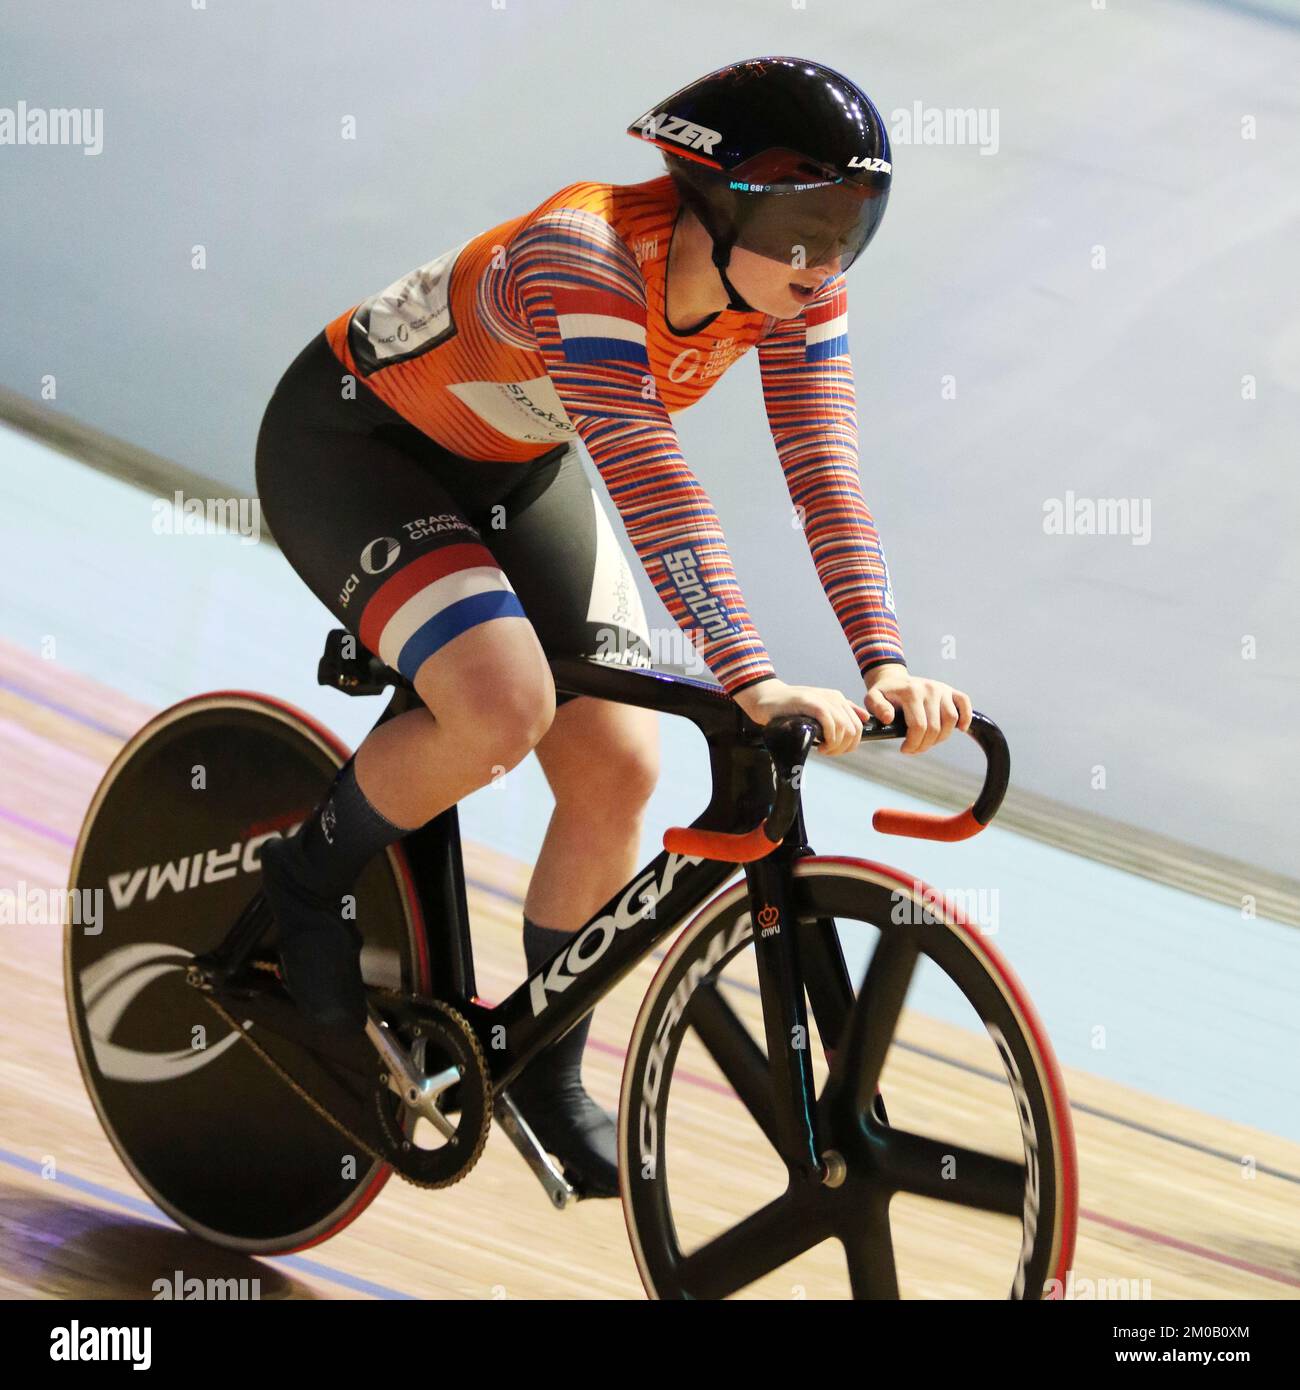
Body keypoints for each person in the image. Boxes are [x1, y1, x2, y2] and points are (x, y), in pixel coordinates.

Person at [253, 55, 972, 1199]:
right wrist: (754, 677)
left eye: (850, 226)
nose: (824, 258)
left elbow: (825, 474)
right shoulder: (580, 253)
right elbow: (649, 477)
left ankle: (541, 1066)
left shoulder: (797, 293)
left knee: (620, 766)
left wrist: (883, 656)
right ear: (716, 198)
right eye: (803, 222)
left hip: (512, 464)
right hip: (355, 451)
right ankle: (302, 881)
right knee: (504, 707)